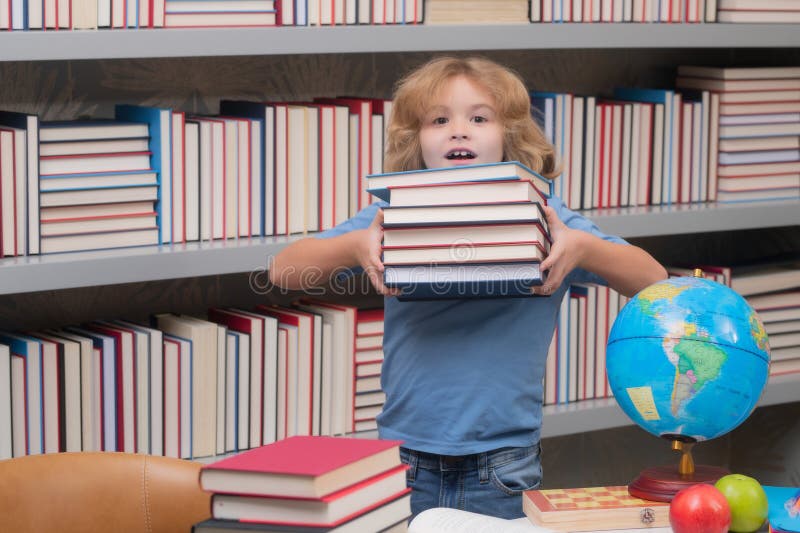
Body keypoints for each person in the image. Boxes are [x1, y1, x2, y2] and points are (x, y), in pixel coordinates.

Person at [269, 56, 668, 520]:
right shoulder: (393, 214)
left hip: (502, 462)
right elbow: (283, 272)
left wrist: (584, 249)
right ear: (417, 139)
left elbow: (654, 282)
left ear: (509, 136)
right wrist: (355, 247)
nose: (458, 131)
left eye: (479, 118)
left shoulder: (547, 215)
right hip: (404, 457)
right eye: (439, 119)